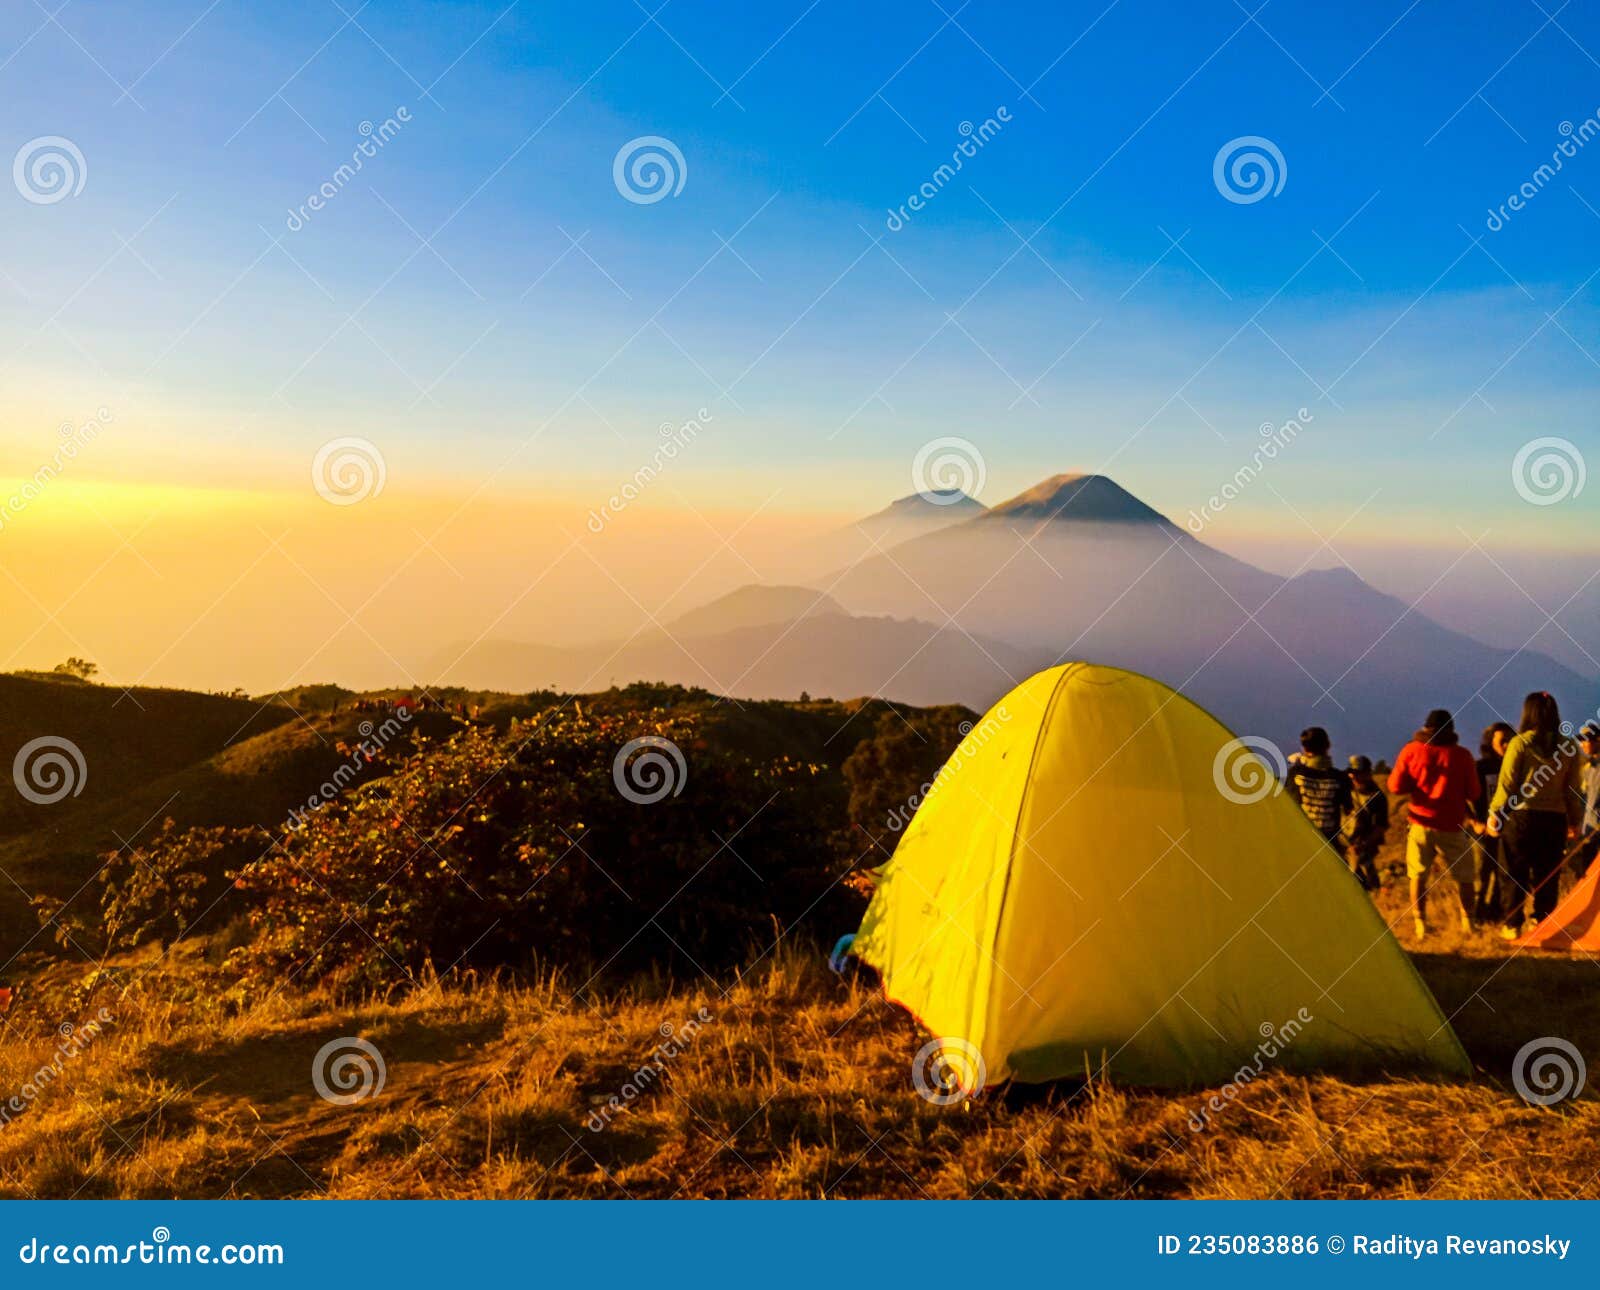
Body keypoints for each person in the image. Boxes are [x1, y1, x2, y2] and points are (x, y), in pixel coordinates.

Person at [1491, 692, 1585, 939]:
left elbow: (1507, 784)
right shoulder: (1569, 747)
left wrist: (1495, 813)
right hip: (1554, 819)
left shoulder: (1520, 744)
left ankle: (1512, 924)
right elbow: (1572, 789)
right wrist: (1575, 821)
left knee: (1513, 872)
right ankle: (1542, 922)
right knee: (1548, 874)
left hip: (1522, 818)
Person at [1387, 708, 1479, 940]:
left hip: (1419, 823)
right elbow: (1474, 792)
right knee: (1465, 876)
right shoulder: (1462, 755)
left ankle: (1421, 925)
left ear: (1426, 727)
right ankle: (1468, 923)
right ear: (1451, 730)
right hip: (1452, 826)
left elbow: (1395, 787)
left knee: (1417, 875)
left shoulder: (1411, 750)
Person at [1468, 722, 1516, 927]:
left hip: (1510, 829)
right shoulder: (1481, 767)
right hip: (1484, 831)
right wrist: (1474, 822)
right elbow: (1462, 797)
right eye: (1501, 741)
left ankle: (1497, 912)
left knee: (1504, 874)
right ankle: (1476, 912)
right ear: (1490, 743)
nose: (1506, 745)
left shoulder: (1517, 766)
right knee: (1481, 873)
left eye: (1509, 740)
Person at [1286, 727, 1353, 861]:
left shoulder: (1296, 773)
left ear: (1304, 749)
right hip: (1330, 844)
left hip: (1301, 842)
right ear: (1328, 746)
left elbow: (1289, 804)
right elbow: (1348, 810)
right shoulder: (1340, 778)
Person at [1344, 755, 1388, 891]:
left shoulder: (1377, 797)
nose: (1353, 777)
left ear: (1368, 773)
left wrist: (1362, 845)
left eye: (1358, 773)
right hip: (1344, 844)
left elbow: (1380, 827)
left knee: (1366, 882)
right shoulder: (1345, 790)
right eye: (1352, 773)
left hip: (1363, 847)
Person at [1575, 723, 1600, 878]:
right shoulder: (1586, 769)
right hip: (1588, 832)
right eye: (1581, 741)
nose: (1583, 744)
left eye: (1587, 740)